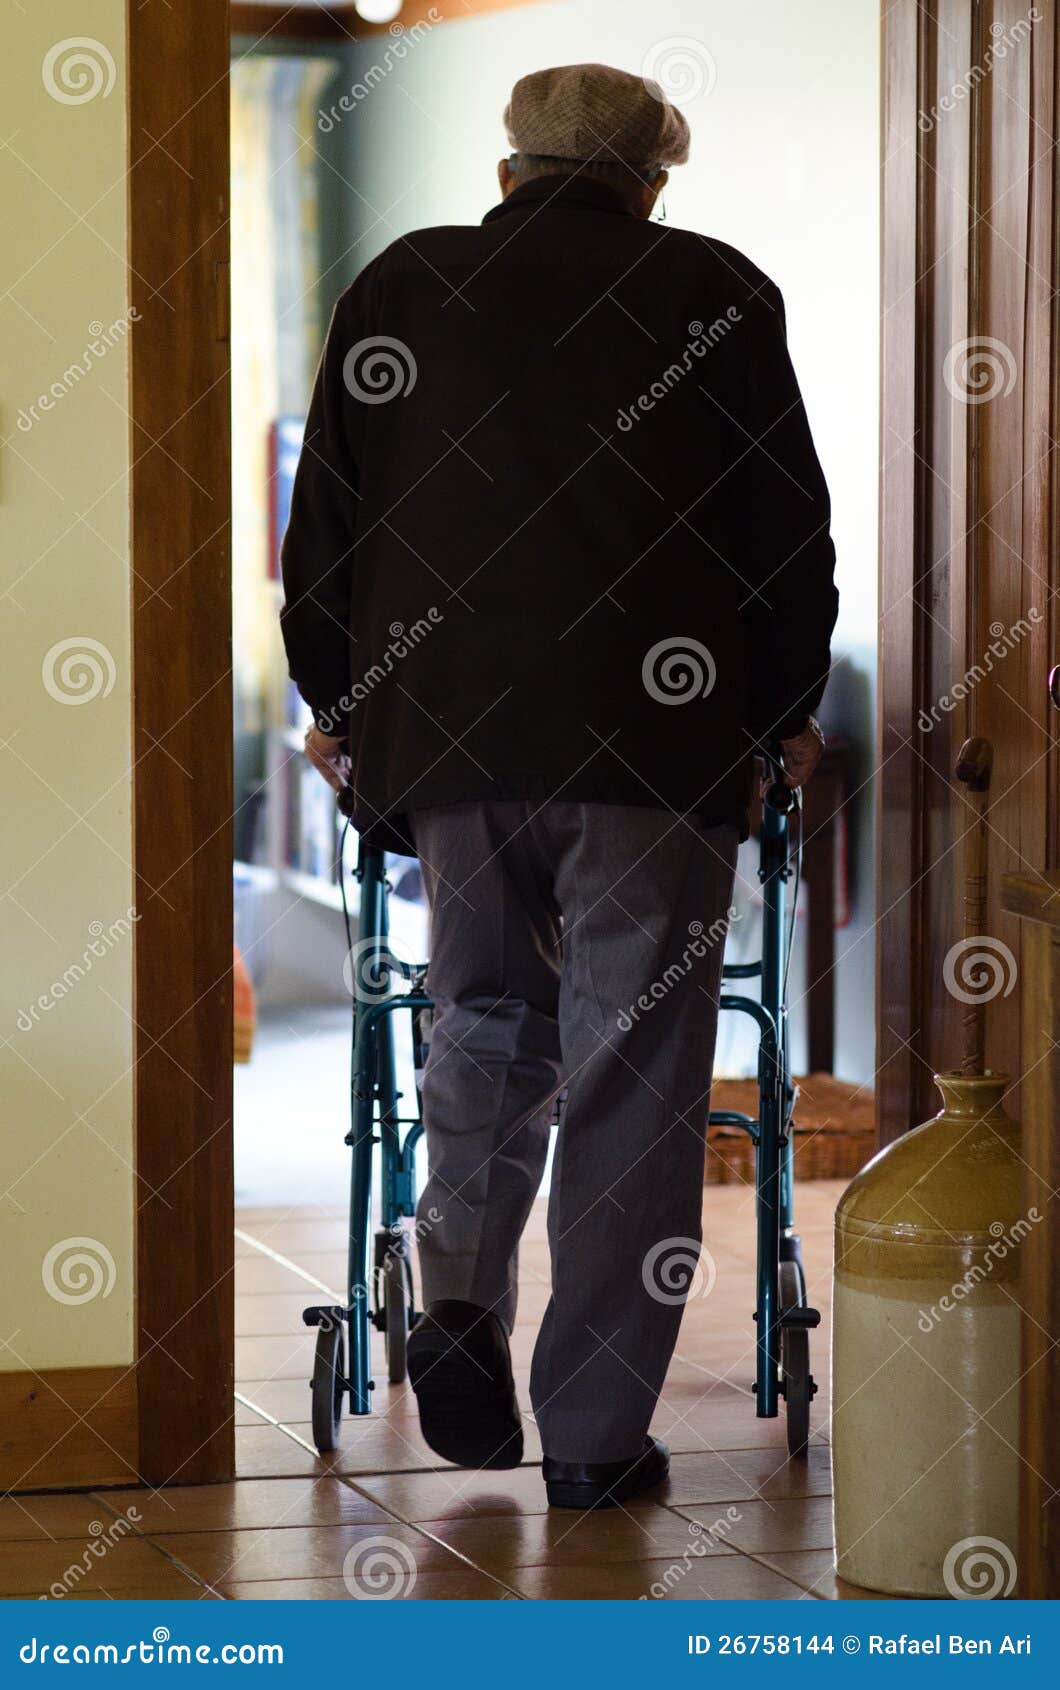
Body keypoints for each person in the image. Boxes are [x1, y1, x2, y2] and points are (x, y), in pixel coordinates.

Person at [280, 62, 838, 1510]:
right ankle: (592, 1439)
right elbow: (786, 531)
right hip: (656, 747)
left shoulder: (404, 285)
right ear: (651, 179)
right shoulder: (713, 291)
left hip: (450, 740)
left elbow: (324, 528)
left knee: (478, 1022)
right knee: (632, 1072)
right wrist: (782, 712)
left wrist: (341, 709)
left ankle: (457, 1286)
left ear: (512, 168)